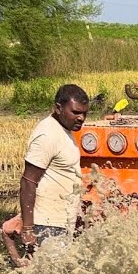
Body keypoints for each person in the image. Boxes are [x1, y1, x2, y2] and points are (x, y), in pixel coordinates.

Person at [18, 84, 89, 255]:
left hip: (61, 222)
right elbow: (28, 181)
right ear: (58, 108)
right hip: (47, 225)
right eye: (76, 112)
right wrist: (27, 228)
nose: (81, 118)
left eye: (84, 113)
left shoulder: (64, 131)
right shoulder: (47, 135)